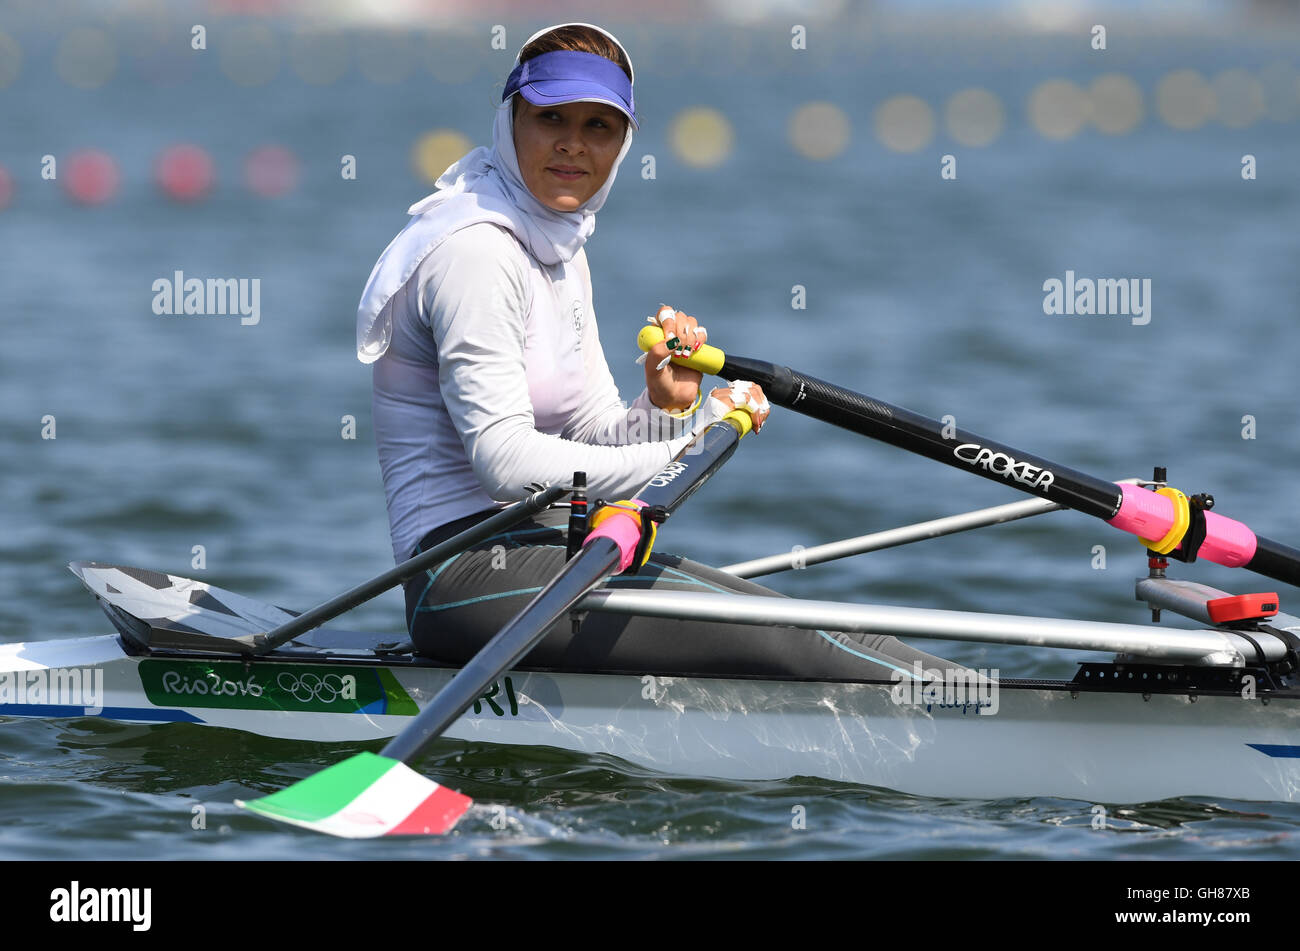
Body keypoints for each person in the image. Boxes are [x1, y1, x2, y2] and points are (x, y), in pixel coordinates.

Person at [356, 22, 958, 683]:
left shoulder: (555, 245)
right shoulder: (476, 252)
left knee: (789, 624)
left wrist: (665, 407)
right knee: (793, 640)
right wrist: (683, 449)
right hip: (461, 574)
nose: (572, 144)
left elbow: (593, 436)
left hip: (553, 547)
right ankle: (969, 704)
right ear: (510, 120)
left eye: (599, 127)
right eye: (550, 117)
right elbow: (504, 463)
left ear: (623, 142)